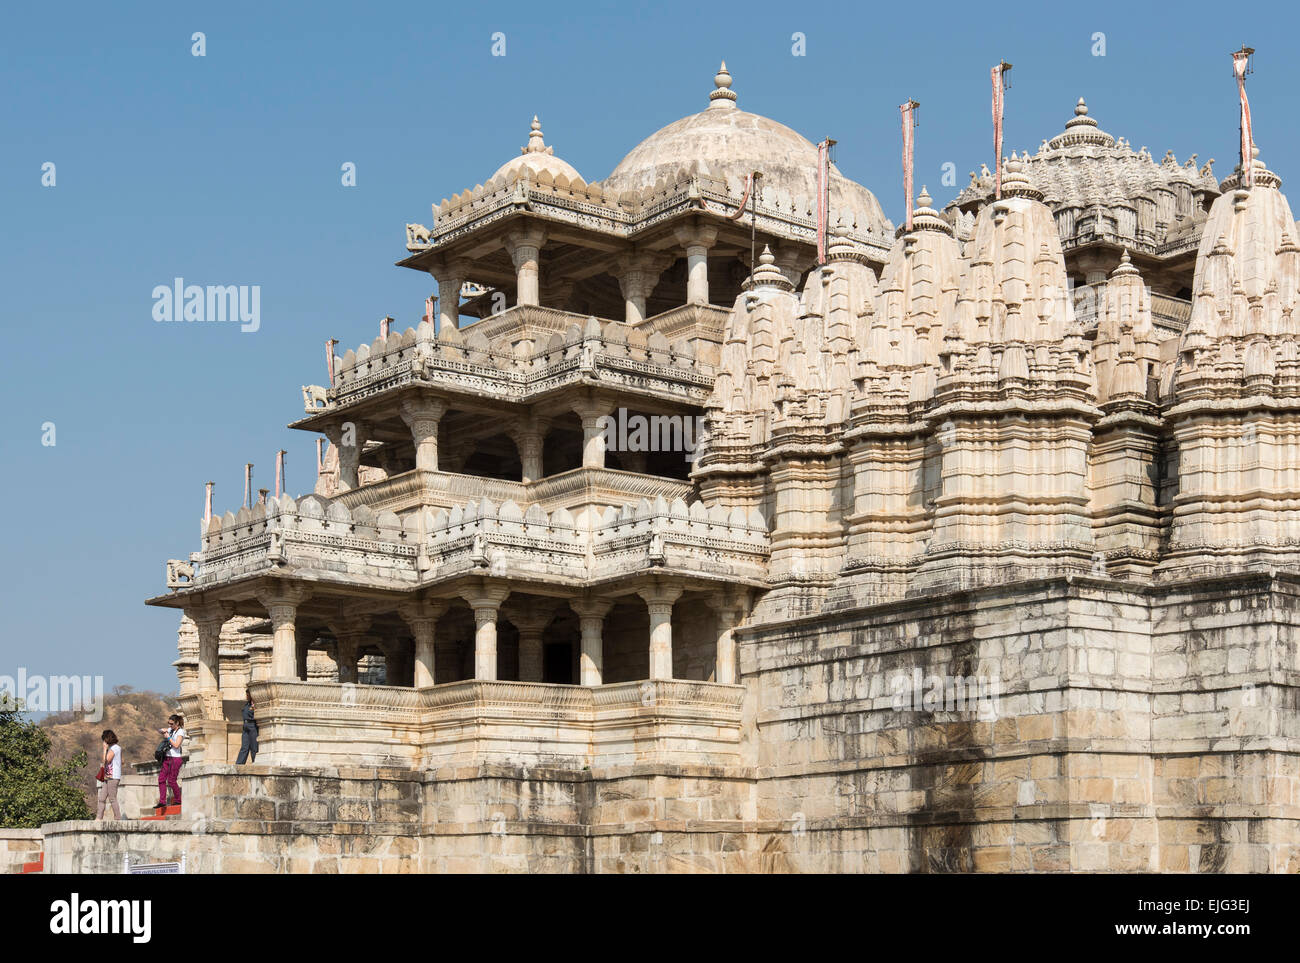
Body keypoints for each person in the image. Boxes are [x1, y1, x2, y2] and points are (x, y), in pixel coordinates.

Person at [155, 713, 187, 812]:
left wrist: (168, 737)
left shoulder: (180, 731)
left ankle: (178, 799)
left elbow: (177, 745)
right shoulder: (171, 730)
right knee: (161, 779)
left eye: (171, 723)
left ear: (177, 723)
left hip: (175, 758)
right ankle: (162, 801)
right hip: (167, 758)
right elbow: (160, 730)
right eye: (168, 723)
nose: (169, 725)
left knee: (172, 780)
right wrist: (163, 731)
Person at [96, 730, 123, 820]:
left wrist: (104, 750)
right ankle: (99, 818)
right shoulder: (115, 748)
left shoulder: (115, 748)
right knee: (102, 798)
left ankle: (117, 817)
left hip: (113, 777)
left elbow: (106, 760)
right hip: (108, 777)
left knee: (112, 798)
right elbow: (122, 761)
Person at [236, 690, 259, 764]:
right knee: (244, 747)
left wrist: (253, 707)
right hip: (245, 726)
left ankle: (255, 762)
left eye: (248, 695)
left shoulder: (255, 704)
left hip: (252, 726)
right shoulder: (247, 704)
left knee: (254, 747)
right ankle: (239, 764)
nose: (246, 696)